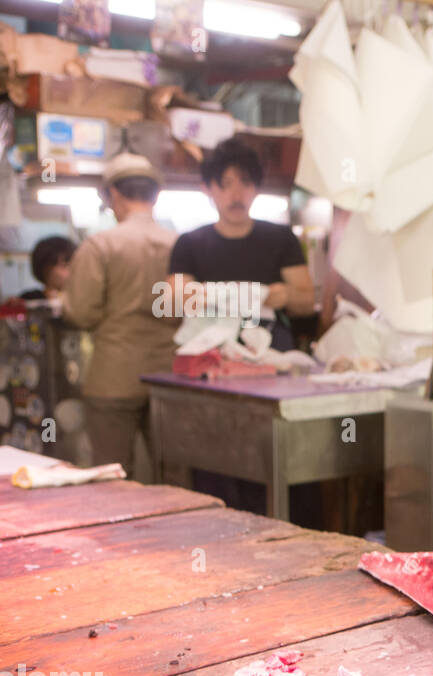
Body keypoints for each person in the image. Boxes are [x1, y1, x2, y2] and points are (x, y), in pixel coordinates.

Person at [60, 153, 177, 479]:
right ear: (155, 194)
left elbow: (81, 312)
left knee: (113, 477)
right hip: (170, 377)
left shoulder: (100, 245)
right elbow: (188, 313)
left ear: (113, 194)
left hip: (114, 377)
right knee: (174, 477)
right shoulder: (180, 245)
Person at [168, 137, 313, 350]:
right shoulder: (188, 243)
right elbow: (170, 304)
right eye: (225, 184)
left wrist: (284, 296)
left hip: (271, 355)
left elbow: (307, 301)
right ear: (207, 189)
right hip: (209, 355)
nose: (236, 195)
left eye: (245, 183)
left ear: (256, 188)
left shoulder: (281, 238)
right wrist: (195, 296)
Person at [20, 236, 76, 301]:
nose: (71, 272)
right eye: (64, 265)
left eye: (74, 266)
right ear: (45, 269)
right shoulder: (29, 300)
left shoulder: (79, 300)